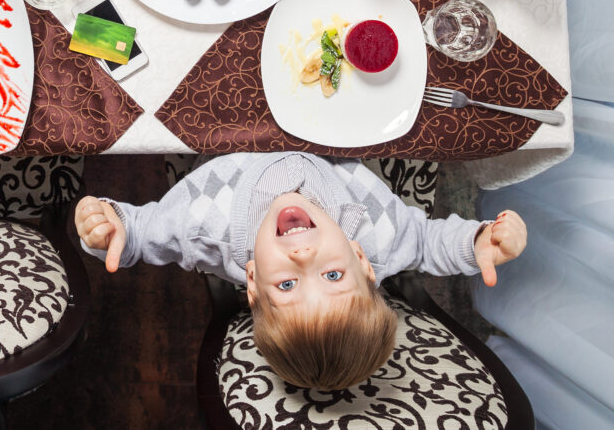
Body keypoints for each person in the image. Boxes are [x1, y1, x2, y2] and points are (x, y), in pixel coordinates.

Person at [75, 153, 528, 390]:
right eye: (333, 276)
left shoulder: (201, 225)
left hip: (231, 140)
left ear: (251, 282)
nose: (304, 257)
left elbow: (140, 234)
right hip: (333, 136)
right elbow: (428, 244)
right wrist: (476, 243)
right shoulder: (381, 235)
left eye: (287, 285)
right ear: (363, 261)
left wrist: (110, 227)